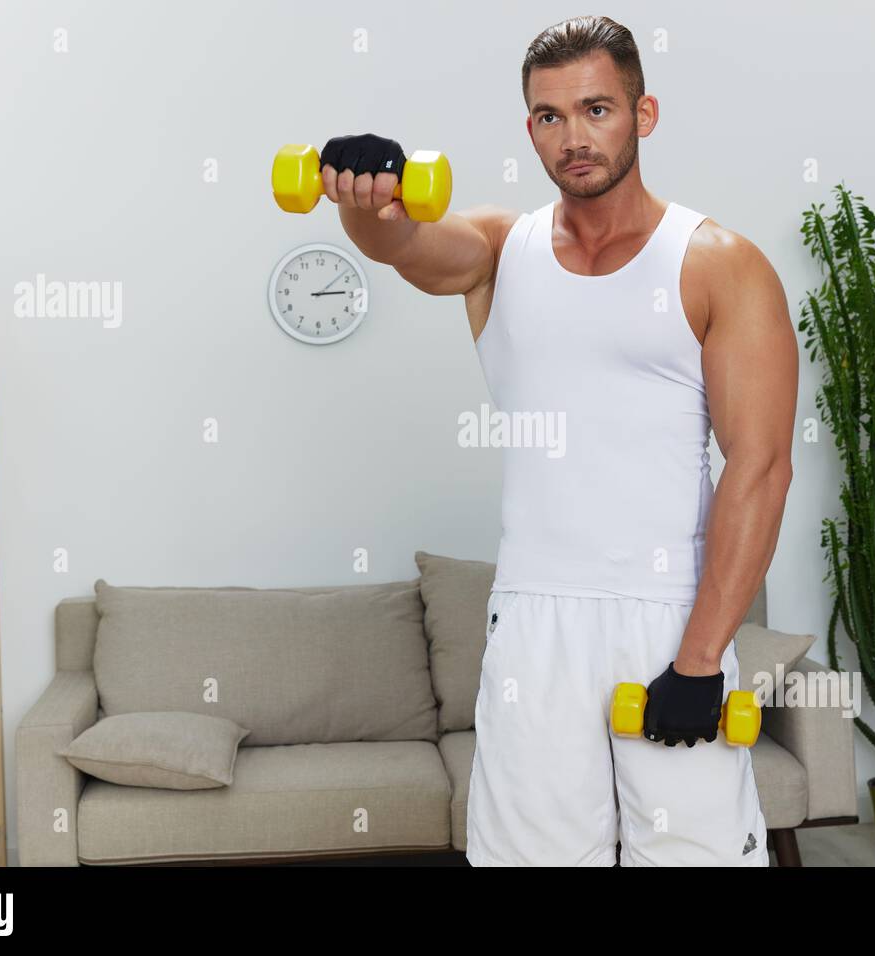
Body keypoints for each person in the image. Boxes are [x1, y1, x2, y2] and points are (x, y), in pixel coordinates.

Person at [317, 14, 798, 866]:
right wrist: (368, 200)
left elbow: (758, 470)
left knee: (697, 857)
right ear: (529, 129)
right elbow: (409, 248)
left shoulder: (719, 264)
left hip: (670, 617)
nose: (574, 137)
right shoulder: (504, 250)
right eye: (549, 116)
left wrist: (698, 659)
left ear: (643, 114)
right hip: (535, 619)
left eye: (596, 109)